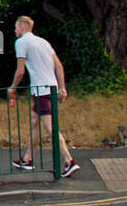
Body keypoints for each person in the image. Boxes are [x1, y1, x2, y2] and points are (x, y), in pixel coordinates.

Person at [9, 15, 77, 175]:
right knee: (34, 121)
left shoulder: (21, 42)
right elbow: (59, 65)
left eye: (16, 27)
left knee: (50, 127)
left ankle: (69, 161)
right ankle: (27, 159)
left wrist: (12, 87)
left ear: (22, 27)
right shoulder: (43, 42)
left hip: (41, 90)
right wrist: (62, 88)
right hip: (50, 88)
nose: (15, 30)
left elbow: (20, 71)